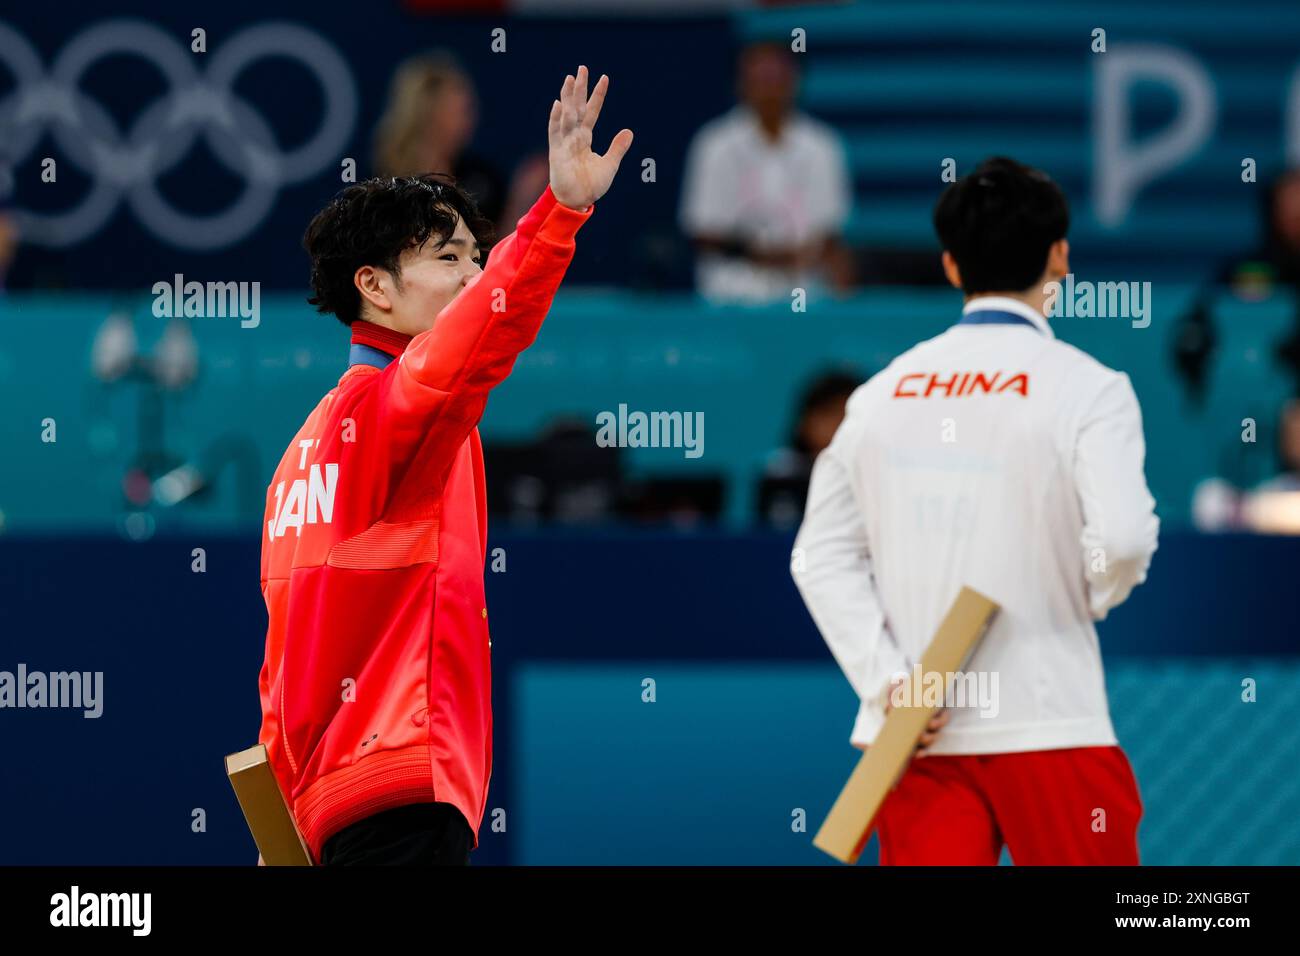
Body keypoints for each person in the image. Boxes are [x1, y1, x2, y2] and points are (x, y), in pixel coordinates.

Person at [255, 66, 632, 865]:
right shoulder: (395, 408)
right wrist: (561, 212)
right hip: (402, 799)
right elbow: (487, 334)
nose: (474, 275)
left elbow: (283, 668)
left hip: (329, 812)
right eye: (451, 258)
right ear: (376, 288)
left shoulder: (300, 456)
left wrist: (281, 824)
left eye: (478, 254)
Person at [792, 157, 1158, 865]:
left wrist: (889, 682)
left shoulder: (880, 395)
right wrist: (1086, 596)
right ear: (1060, 257)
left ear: (952, 266)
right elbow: (1121, 538)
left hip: (917, 733)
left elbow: (818, 555)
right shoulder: (1089, 388)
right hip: (1049, 720)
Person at [678, 41, 853, 304]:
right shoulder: (714, 144)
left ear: (795, 82)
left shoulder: (823, 146)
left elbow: (830, 232)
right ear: (741, 84)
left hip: (805, 296)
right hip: (729, 296)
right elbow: (702, 231)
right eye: (760, 80)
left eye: (777, 79)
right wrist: (764, 255)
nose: (770, 90)